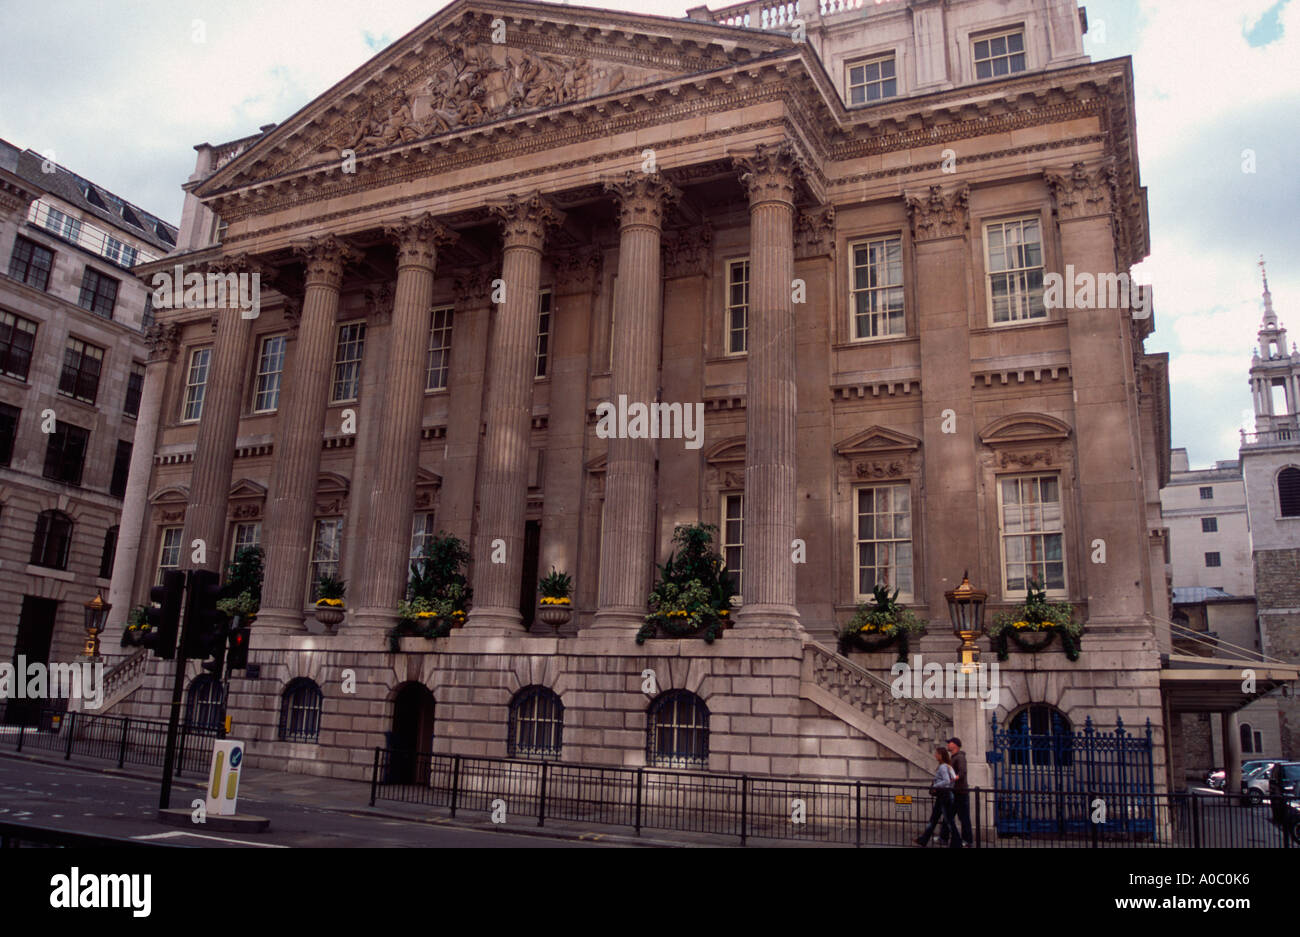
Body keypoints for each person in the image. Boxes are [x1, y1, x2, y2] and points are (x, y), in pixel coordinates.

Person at [915, 746, 962, 847]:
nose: (935, 755)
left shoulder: (943, 767)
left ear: (941, 755)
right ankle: (923, 839)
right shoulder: (948, 766)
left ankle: (957, 842)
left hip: (944, 795)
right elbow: (953, 778)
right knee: (934, 819)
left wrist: (935, 786)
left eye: (936, 753)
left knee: (948, 820)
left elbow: (946, 780)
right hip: (946, 794)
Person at [946, 737, 974, 847]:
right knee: (948, 816)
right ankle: (945, 837)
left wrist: (953, 778)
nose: (948, 744)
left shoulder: (960, 757)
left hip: (961, 792)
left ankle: (967, 841)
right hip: (955, 791)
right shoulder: (953, 757)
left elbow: (962, 772)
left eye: (950, 743)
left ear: (955, 745)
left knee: (964, 818)